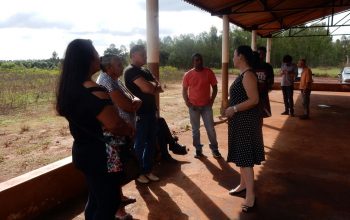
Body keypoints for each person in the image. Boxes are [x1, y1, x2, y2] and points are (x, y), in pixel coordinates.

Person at [56, 39, 134, 220]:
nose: (98, 56)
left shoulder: (70, 89)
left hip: (83, 152)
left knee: (96, 198)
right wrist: (129, 130)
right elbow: (114, 124)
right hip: (102, 156)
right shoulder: (95, 90)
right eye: (95, 52)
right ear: (87, 59)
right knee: (109, 202)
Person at [97, 55, 141, 220]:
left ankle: (119, 199)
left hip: (123, 132)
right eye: (118, 64)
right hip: (115, 135)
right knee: (115, 174)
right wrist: (135, 104)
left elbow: (134, 99)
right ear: (109, 68)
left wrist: (135, 102)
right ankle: (118, 212)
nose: (122, 66)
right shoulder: (106, 82)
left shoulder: (116, 80)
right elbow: (128, 105)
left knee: (118, 170)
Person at [224, 45, 265, 213]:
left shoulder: (248, 75)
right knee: (242, 157)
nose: (232, 58)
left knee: (246, 159)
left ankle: (250, 196)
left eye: (234, 55)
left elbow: (254, 100)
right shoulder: (243, 74)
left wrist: (233, 109)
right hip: (240, 122)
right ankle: (242, 185)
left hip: (246, 123)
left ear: (240, 56)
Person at [124, 44, 163, 184]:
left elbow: (159, 87)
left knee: (151, 143)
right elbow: (149, 88)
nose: (146, 57)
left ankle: (147, 170)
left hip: (151, 112)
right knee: (139, 144)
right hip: (139, 114)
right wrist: (152, 86)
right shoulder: (130, 71)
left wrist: (152, 86)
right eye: (142, 54)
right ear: (133, 55)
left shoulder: (144, 70)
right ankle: (138, 173)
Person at [182, 53, 222, 159]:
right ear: (193, 62)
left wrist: (212, 100)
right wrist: (187, 102)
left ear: (202, 60)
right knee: (195, 130)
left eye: (200, 60)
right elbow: (184, 90)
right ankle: (198, 150)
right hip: (193, 107)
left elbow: (215, 88)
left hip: (206, 107)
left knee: (210, 129)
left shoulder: (209, 72)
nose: (198, 62)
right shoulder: (188, 74)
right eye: (196, 60)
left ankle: (214, 149)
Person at [256, 46, 274, 118]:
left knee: (261, 115)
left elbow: (271, 81)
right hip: (251, 94)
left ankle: (258, 128)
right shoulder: (252, 66)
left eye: (263, 54)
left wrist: (266, 89)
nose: (261, 55)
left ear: (265, 55)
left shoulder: (268, 67)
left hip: (262, 95)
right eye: (259, 53)